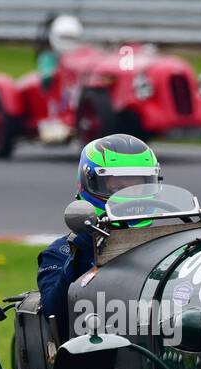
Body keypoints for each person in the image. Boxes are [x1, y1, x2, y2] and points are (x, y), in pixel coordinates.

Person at [37, 134, 160, 336]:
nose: (128, 195)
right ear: (89, 182)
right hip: (98, 351)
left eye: (138, 187)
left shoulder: (167, 243)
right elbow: (54, 315)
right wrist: (85, 248)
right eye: (118, 187)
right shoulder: (62, 252)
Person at [37, 13, 83, 89]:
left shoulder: (81, 58)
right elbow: (45, 80)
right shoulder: (48, 58)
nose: (67, 42)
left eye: (70, 38)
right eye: (64, 37)